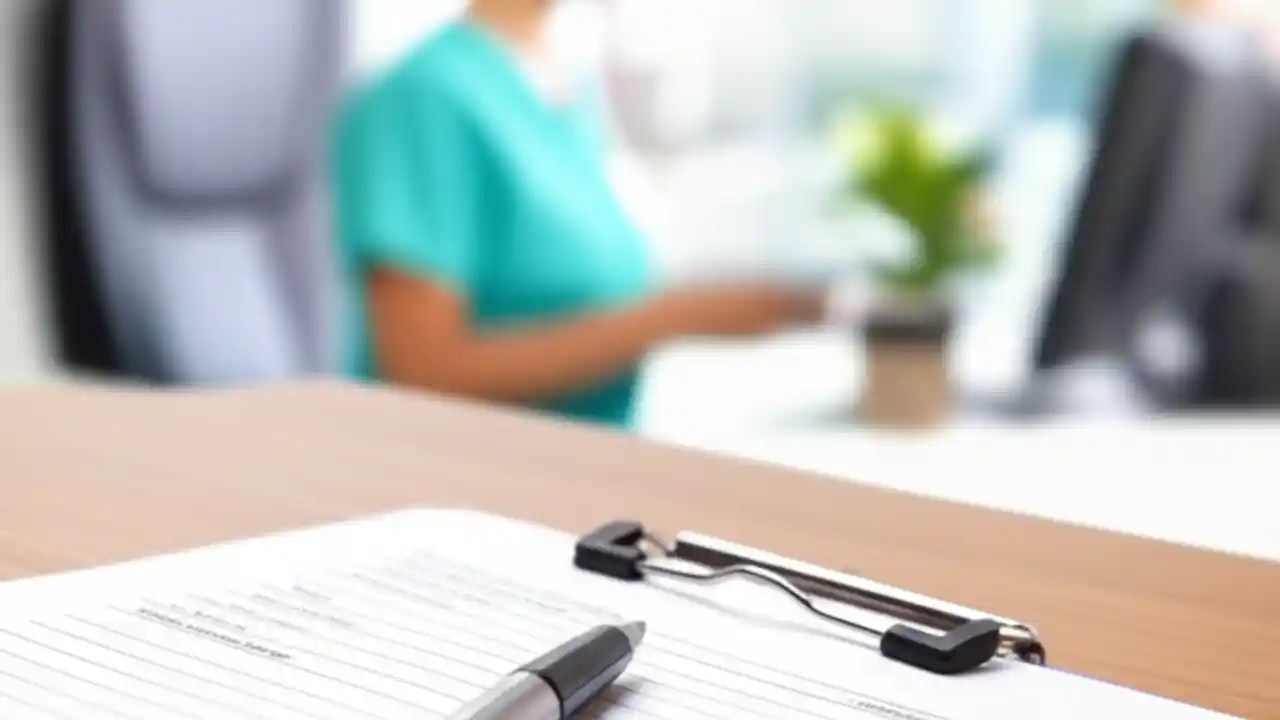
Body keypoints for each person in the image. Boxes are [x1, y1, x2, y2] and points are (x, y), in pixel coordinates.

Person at [333, 0, 820, 426]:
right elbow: (425, 372)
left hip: (597, 471)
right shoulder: (422, 99)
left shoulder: (566, 85)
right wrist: (675, 317)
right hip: (481, 483)